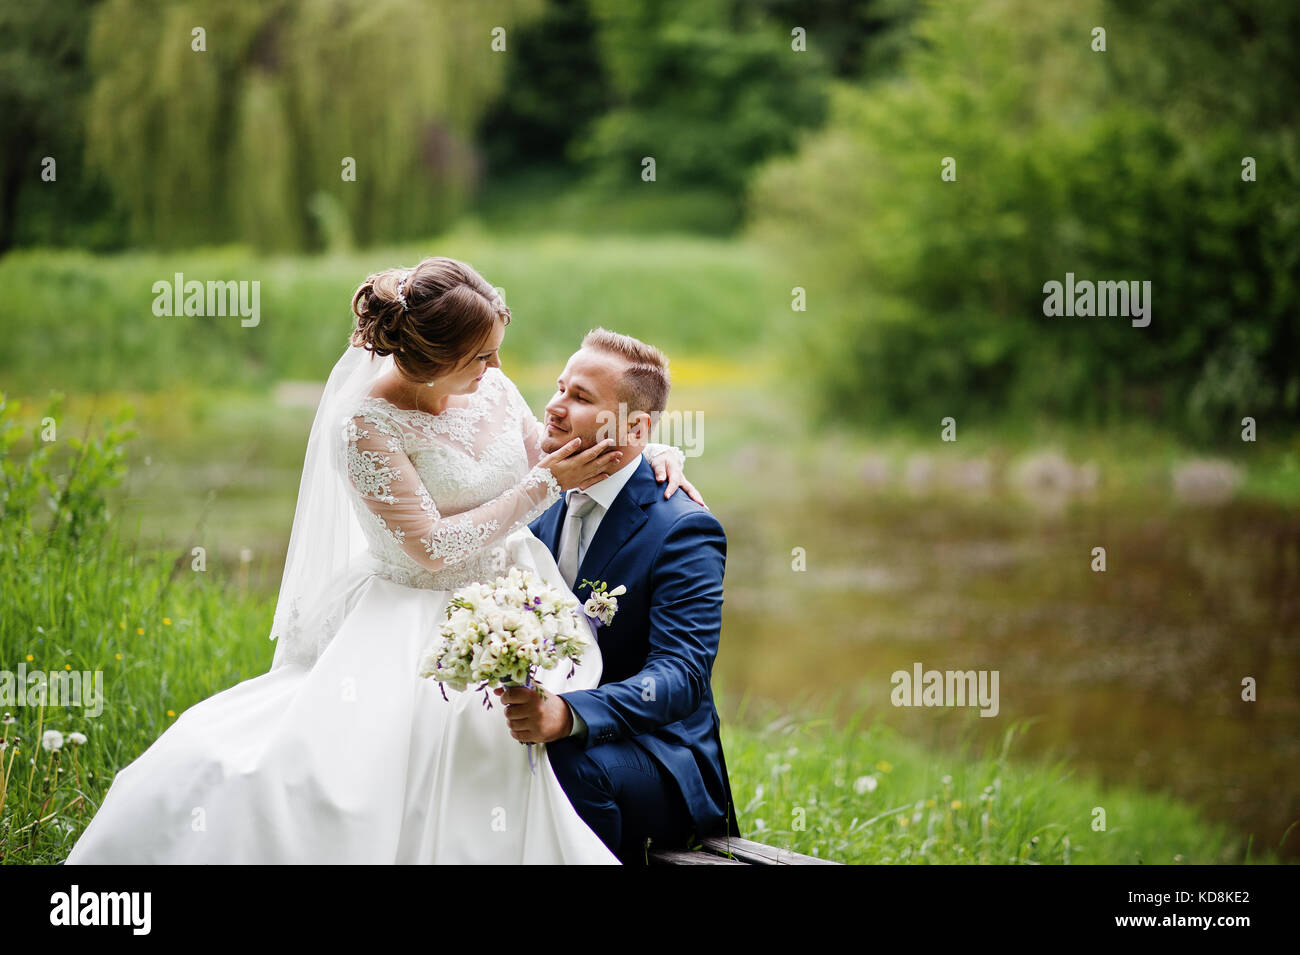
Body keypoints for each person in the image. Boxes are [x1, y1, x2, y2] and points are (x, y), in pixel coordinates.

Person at [64, 256, 700, 864]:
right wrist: (541, 488)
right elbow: (430, 546)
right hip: (413, 613)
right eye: (480, 356)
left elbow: (550, 450)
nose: (497, 367)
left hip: (514, 597)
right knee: (364, 767)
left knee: (514, 746)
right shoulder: (366, 426)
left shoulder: (493, 388)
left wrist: (651, 451)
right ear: (431, 361)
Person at [501, 328, 740, 864]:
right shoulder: (539, 497)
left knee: (565, 761)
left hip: (655, 755)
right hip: (541, 723)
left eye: (580, 398)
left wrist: (570, 714)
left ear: (635, 427)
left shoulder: (683, 529)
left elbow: (681, 677)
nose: (554, 407)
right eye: (560, 388)